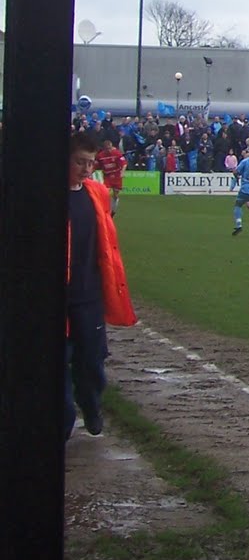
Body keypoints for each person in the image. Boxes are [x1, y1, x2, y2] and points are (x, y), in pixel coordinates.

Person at [67, 132, 137, 439]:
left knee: (92, 363)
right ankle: (63, 424)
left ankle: (91, 407)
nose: (86, 168)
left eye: (90, 163)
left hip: (88, 296)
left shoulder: (96, 193)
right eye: (80, 162)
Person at [93, 137, 127, 217]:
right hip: (107, 176)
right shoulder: (100, 156)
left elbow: (124, 164)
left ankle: (113, 211)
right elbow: (96, 166)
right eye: (107, 149)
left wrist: (122, 172)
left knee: (115, 195)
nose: (109, 150)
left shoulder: (117, 153)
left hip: (117, 176)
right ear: (104, 149)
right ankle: (105, 210)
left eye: (110, 148)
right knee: (105, 193)